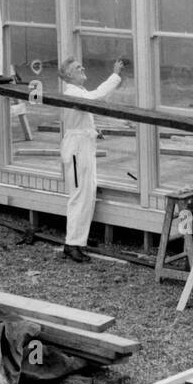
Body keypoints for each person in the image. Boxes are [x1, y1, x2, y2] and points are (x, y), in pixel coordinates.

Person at [58, 54, 126, 263]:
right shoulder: (73, 94)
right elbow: (97, 97)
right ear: (69, 75)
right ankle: (71, 244)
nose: (83, 69)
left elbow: (80, 121)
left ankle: (79, 240)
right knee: (80, 196)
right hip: (78, 150)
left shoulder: (78, 92)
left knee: (87, 194)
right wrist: (115, 75)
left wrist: (94, 131)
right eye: (78, 68)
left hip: (83, 146)